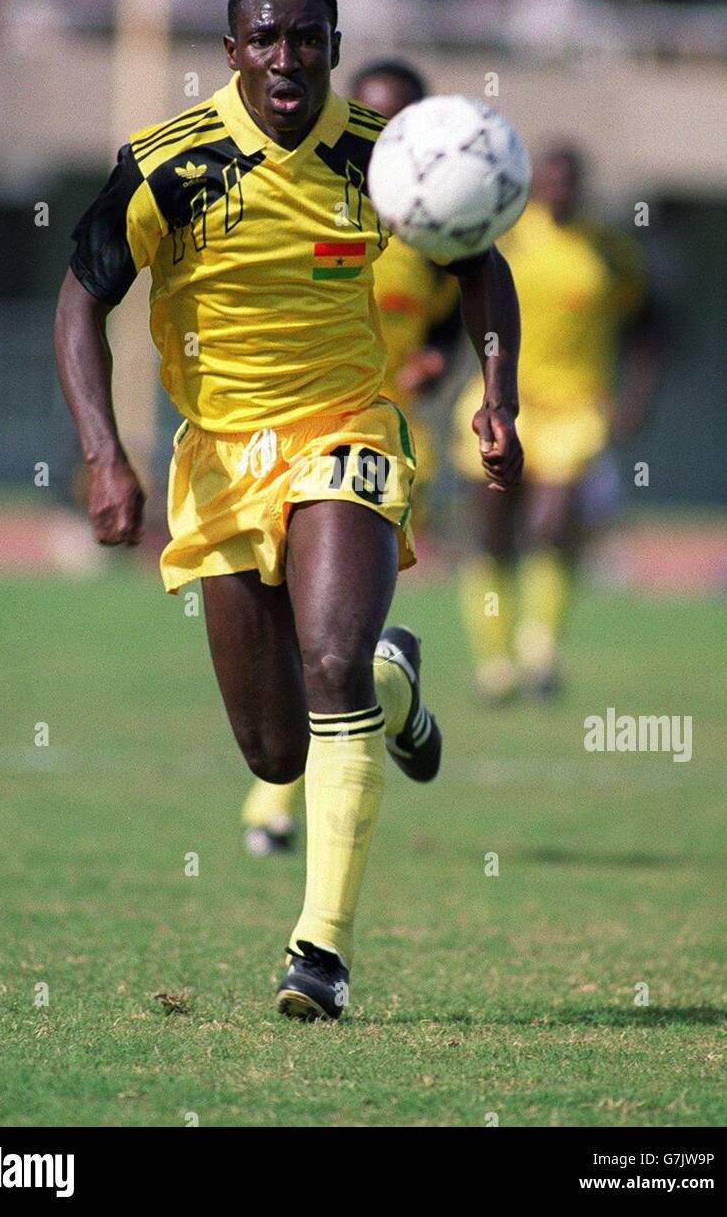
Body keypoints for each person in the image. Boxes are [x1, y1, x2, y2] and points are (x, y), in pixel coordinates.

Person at [54, 0, 522, 1020]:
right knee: (273, 745)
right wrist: (101, 451)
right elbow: (79, 304)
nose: (285, 57)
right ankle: (398, 689)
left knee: (328, 657)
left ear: (334, 48)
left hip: (347, 427)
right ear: (230, 52)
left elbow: (478, 265)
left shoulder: (377, 155)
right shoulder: (166, 165)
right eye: (263, 38)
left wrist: (498, 393)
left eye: (306, 37)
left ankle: (321, 952)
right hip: (219, 456)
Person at [241, 57, 463, 858]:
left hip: (375, 440)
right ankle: (394, 693)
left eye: (398, 121)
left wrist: (440, 359)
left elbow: (460, 304)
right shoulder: (287, 201)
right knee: (283, 643)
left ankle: (273, 804)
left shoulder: (428, 228)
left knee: (323, 639)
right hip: (267, 442)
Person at [453, 144, 655, 700]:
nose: (560, 189)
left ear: (581, 185)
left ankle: (539, 652)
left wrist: (634, 398)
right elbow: (461, 301)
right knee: (492, 532)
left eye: (570, 180)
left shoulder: (609, 251)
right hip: (500, 400)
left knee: (549, 526)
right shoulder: (506, 237)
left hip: (575, 410)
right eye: (551, 179)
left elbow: (646, 326)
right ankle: (494, 665)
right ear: (535, 183)